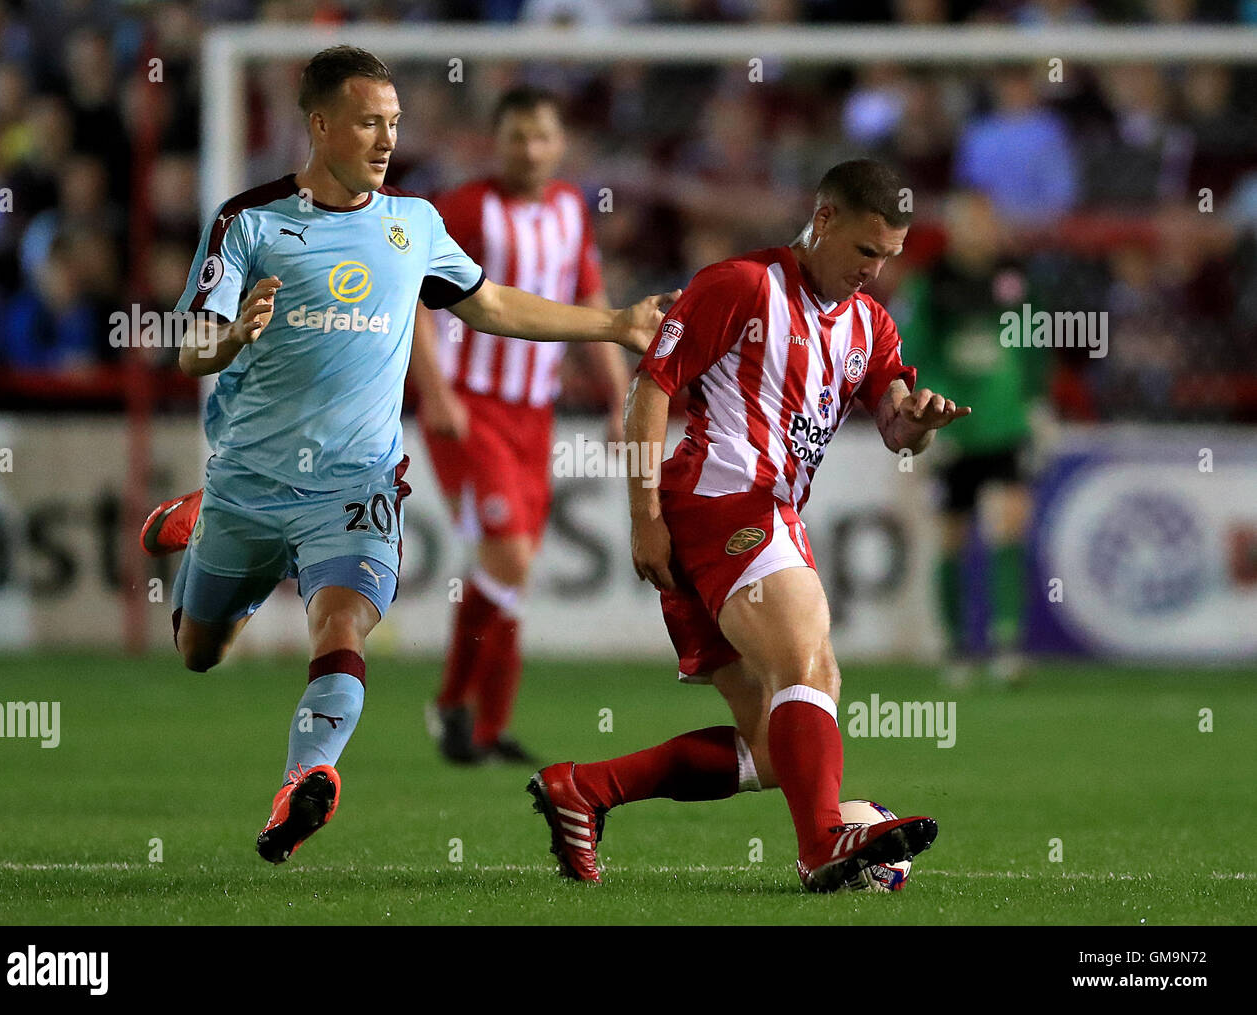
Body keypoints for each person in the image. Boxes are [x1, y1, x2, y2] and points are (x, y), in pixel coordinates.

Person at [145, 46, 672, 865]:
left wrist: (612, 325)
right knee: (198, 652)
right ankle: (202, 512)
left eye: (393, 122)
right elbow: (190, 349)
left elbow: (491, 303)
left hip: (356, 484)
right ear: (320, 126)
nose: (387, 139)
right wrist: (229, 338)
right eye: (368, 122)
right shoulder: (249, 221)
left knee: (343, 618)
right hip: (249, 479)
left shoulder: (413, 222)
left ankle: (307, 775)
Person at [527, 159, 968, 893]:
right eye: (865, 251)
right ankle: (824, 842)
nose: (874, 272)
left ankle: (586, 787)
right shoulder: (740, 285)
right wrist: (644, 517)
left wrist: (920, 426)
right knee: (812, 666)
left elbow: (895, 423)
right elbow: (650, 388)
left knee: (772, 749)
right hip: (726, 501)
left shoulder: (868, 325)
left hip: (738, 519)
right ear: (823, 219)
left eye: (888, 257)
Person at [412, 86, 629, 765]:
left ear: (560, 144)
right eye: (515, 137)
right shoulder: (468, 208)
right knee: (508, 557)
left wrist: (618, 397)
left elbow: (590, 301)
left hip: (535, 413)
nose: (528, 149)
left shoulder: (570, 209)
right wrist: (436, 387)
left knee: (513, 573)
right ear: (494, 141)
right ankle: (453, 704)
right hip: (469, 407)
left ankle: (483, 724)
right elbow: (416, 296)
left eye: (540, 136)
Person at [895, 191, 1046, 684]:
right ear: (953, 228)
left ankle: (1007, 644)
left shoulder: (1017, 280)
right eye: (970, 221)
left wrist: (1039, 402)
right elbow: (915, 352)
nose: (980, 230)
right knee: (953, 535)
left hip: (1006, 423)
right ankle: (957, 647)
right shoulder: (932, 284)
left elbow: (1034, 345)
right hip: (954, 425)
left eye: (986, 220)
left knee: (1009, 523)